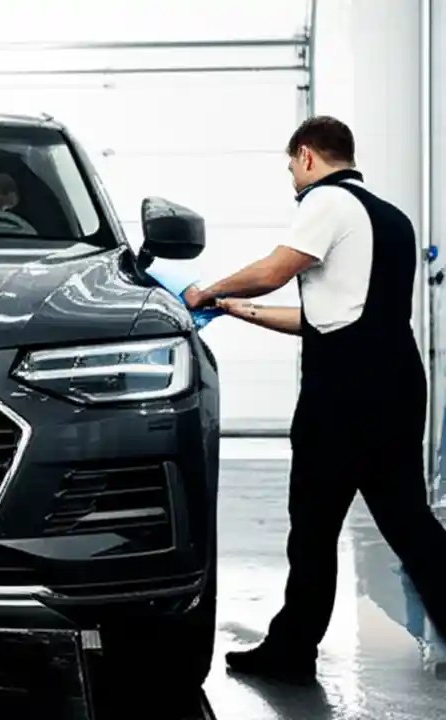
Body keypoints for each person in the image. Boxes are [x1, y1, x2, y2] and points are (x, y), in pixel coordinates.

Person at [187, 115, 446, 683]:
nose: (292, 182)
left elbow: (276, 271)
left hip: (344, 391)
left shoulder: (325, 202)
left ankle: (291, 651)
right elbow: (324, 317)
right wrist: (236, 311)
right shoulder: (390, 219)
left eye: (291, 168)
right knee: (409, 522)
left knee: (313, 523)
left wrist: (210, 290)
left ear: (307, 155)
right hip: (397, 382)